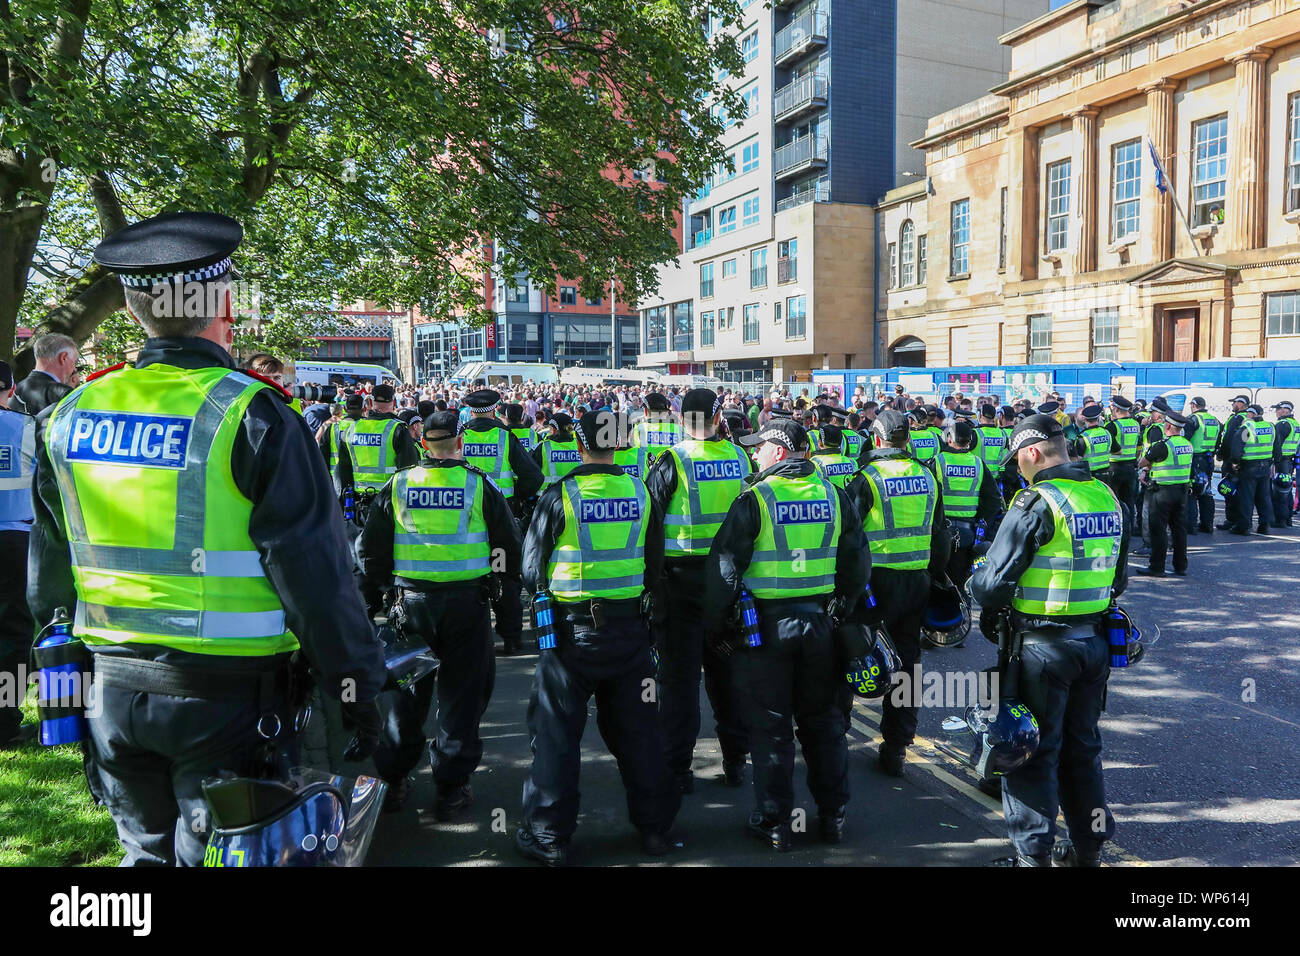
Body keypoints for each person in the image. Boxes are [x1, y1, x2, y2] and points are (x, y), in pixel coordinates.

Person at [28, 211, 387, 866]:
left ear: (134, 311)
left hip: (109, 693)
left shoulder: (67, 415)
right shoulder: (256, 415)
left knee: (145, 860)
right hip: (227, 702)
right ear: (223, 303)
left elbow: (48, 578)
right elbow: (317, 582)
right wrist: (358, 689)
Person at [517, 411, 679, 865]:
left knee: (555, 737)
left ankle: (550, 837)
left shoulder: (561, 493)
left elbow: (531, 570)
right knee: (640, 734)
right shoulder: (640, 491)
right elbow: (654, 564)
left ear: (579, 444)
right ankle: (654, 830)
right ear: (620, 445)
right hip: (630, 631)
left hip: (571, 636)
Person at [703, 418, 868, 849]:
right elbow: (856, 563)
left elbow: (724, 571)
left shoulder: (756, 498)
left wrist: (717, 628)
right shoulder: (834, 494)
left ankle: (775, 823)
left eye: (759, 447)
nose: (754, 454)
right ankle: (833, 815)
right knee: (823, 723)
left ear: (778, 451)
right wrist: (842, 607)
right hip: (820, 626)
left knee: (771, 727)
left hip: (766, 631)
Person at [971, 414, 1126, 867]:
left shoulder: (1037, 502)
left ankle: (1031, 858)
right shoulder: (1104, 495)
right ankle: (1088, 848)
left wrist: (979, 579)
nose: (1017, 468)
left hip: (1041, 651)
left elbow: (990, 585)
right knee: (1083, 750)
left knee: (1031, 753)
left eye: (1018, 459)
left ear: (1033, 453)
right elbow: (1119, 580)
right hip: (1094, 644)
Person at [358, 410, 521, 815]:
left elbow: (370, 549)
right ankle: (450, 789)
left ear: (423, 442)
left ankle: (394, 780)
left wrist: (376, 597)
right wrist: (504, 603)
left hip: (411, 608)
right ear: (459, 442)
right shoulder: (478, 485)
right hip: (467, 607)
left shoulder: (398, 484)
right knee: (462, 698)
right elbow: (506, 548)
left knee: (406, 697)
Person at [646, 388, 754, 794]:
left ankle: (677, 769)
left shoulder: (673, 460)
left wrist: (651, 586)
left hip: (682, 583)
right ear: (718, 416)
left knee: (678, 681)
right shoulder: (740, 457)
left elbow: (650, 524)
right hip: (728, 584)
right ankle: (736, 760)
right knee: (728, 677)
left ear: (680, 419)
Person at [849, 410, 950, 776]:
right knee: (907, 665)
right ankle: (896, 747)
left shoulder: (867, 478)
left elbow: (849, 536)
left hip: (874, 583)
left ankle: (837, 733)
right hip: (916, 580)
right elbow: (940, 534)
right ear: (906, 440)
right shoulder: (926, 474)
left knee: (853, 652)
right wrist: (937, 576)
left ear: (876, 440)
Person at [460, 389, 542, 656]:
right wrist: (515, 498)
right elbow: (533, 477)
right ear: (495, 410)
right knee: (504, 575)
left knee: (468, 575)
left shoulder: (460, 436)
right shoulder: (506, 437)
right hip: (501, 517)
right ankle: (511, 638)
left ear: (470, 411)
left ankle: (471, 639)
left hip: (464, 518)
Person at [0, 360, 37, 745]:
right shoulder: (26, 427)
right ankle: (4, 722)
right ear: (11, 390)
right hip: (14, 540)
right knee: (12, 634)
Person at [934, 420, 1002, 592]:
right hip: (968, 535)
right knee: (961, 585)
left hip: (940, 533)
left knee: (937, 584)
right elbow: (993, 500)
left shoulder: (937, 461)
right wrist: (982, 522)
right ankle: (964, 616)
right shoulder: (978, 464)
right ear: (970, 442)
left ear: (948, 439)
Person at [1136, 412, 1194, 577]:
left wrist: (1147, 467)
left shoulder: (1162, 445)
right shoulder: (1187, 444)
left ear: (1168, 426)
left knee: (1158, 530)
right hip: (1181, 492)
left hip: (1162, 492)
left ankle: (1157, 567)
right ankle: (1180, 566)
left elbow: (1143, 462)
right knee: (1179, 530)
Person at [1223, 404, 1275, 535]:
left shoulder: (1247, 428)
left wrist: (1235, 462)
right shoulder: (1270, 427)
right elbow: (1277, 446)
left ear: (1251, 414)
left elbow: (1237, 448)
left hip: (1249, 468)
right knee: (1264, 497)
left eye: (1248, 413)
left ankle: (1244, 526)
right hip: (1265, 467)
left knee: (1246, 497)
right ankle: (1265, 525)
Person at [11, 332, 80, 420]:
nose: (74, 369)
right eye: (74, 362)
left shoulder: (14, 392)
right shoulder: (63, 393)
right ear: (63, 358)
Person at [1186, 397, 1220, 535]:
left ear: (1193, 405)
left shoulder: (1193, 419)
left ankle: (1191, 526)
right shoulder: (1214, 420)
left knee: (1192, 492)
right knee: (1206, 491)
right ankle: (1207, 524)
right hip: (1208, 459)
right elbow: (1218, 440)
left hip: (1195, 459)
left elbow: (1185, 438)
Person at [1103, 395, 1141, 518]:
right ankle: (1129, 529)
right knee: (1129, 500)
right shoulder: (1135, 424)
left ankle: (1119, 530)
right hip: (1130, 467)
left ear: (1117, 410)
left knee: (1115, 501)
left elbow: (1107, 447)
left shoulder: (1112, 426)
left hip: (1115, 467)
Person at [320, 392, 364, 494]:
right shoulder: (368, 429)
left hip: (335, 477)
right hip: (360, 478)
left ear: (344, 409)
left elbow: (322, 455)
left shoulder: (332, 428)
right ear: (364, 409)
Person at [632, 392, 685, 461]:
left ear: (645, 411)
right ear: (666, 412)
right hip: (674, 470)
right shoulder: (680, 430)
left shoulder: (638, 429)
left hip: (648, 471)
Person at [1271, 402, 1298, 528]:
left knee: (1279, 491)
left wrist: (1273, 460)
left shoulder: (1283, 424)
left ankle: (1280, 519)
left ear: (1286, 411)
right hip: (1289, 461)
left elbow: (1276, 444)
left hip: (1281, 461)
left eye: (1278, 409)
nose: (1276, 412)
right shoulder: (1295, 424)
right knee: (1286, 489)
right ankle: (1287, 518)